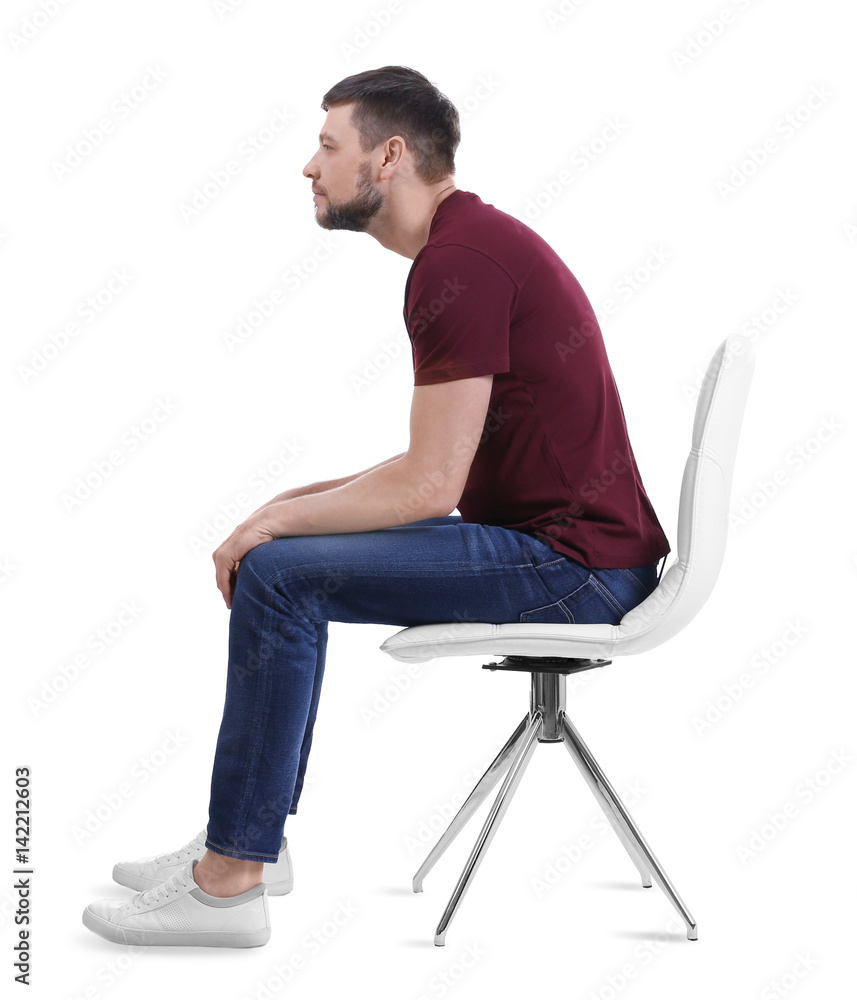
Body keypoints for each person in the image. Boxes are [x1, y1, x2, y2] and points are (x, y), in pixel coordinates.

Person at [82, 65, 670, 948]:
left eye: (328, 144)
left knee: (279, 573)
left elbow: (430, 488)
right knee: (284, 551)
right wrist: (293, 500)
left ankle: (232, 879)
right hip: (567, 551)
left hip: (574, 571)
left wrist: (270, 526)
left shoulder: (461, 264)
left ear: (388, 156)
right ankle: (249, 841)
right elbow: (435, 466)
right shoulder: (469, 246)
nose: (308, 167)